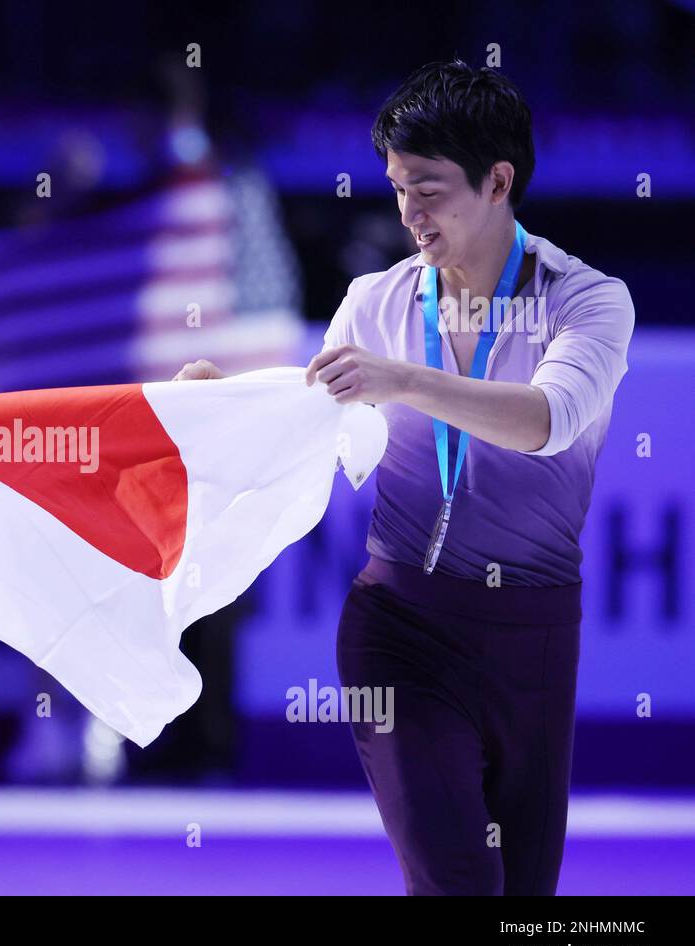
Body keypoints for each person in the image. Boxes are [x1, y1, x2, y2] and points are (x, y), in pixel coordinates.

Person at [174, 59, 634, 895]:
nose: (408, 215)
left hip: (534, 639)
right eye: (395, 189)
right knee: (461, 886)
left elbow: (546, 419)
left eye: (428, 189)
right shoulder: (374, 301)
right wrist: (216, 409)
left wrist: (406, 382)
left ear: (499, 182)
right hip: (400, 630)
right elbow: (307, 432)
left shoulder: (589, 302)